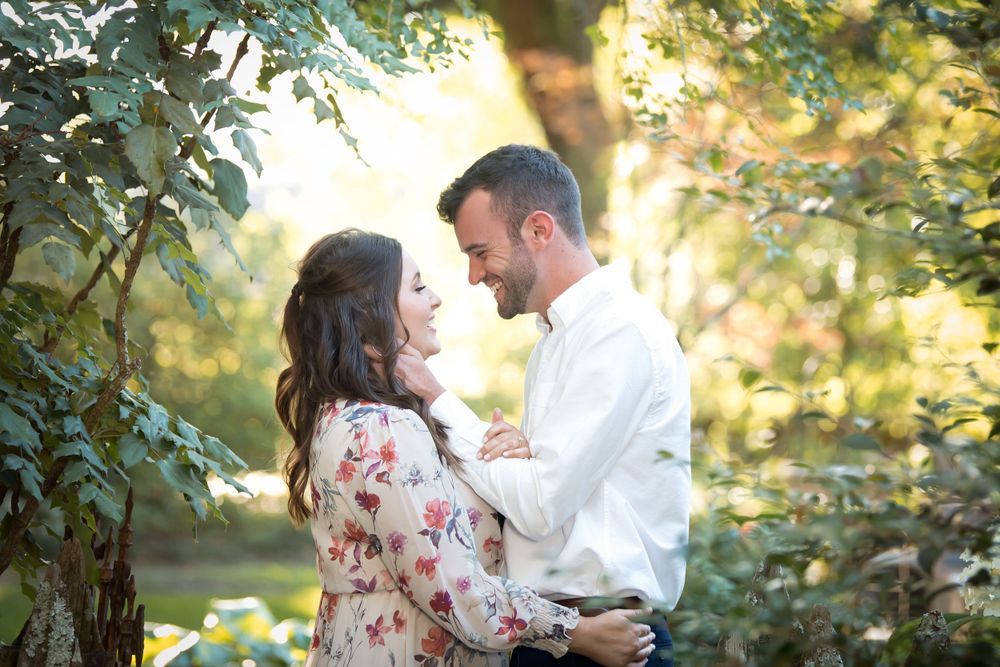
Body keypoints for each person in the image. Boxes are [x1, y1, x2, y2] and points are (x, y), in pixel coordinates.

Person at [275, 229, 657, 667]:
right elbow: (455, 589)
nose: (435, 298)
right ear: (369, 312)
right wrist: (578, 633)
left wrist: (510, 452)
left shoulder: (354, 416)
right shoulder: (383, 429)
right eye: (417, 286)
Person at [394, 145, 691, 667]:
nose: (471, 275)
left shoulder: (616, 332)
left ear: (538, 230)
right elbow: (540, 491)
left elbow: (536, 504)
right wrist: (520, 459)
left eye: (481, 251)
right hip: (559, 634)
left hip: (605, 639)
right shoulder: (555, 342)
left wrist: (435, 397)